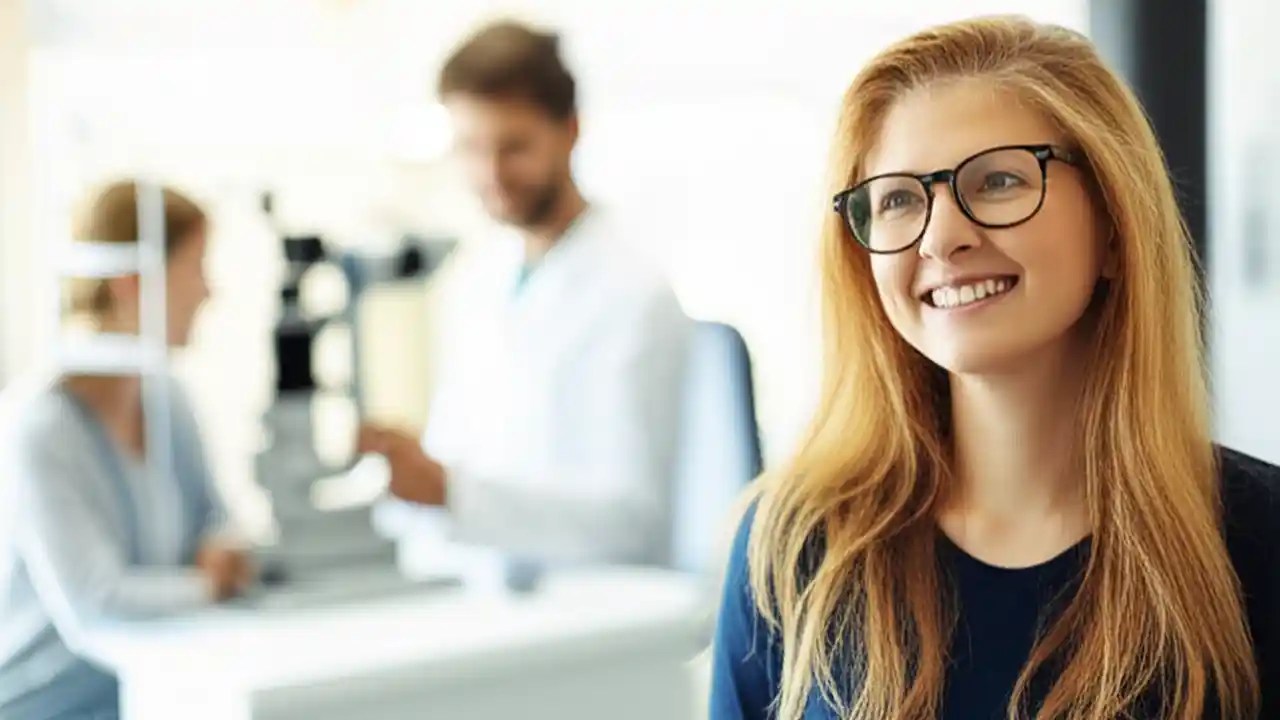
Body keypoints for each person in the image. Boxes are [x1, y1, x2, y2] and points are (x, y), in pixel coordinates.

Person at [710, 16, 1279, 720]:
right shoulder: (795, 548)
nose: (942, 237)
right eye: (898, 199)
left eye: (1000, 180)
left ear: (1114, 225)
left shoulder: (1260, 538)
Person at [357, 21, 692, 565]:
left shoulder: (635, 294)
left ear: (570, 130)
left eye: (514, 147)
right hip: (474, 585)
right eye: (470, 147)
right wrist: (408, 478)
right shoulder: (474, 280)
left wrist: (450, 492)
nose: (491, 173)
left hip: (591, 600)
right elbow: (456, 464)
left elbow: (632, 522)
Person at [0, 181, 252, 719]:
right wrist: (208, 583)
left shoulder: (167, 402)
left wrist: (221, 549)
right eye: (195, 268)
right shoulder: (40, 429)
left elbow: (216, 518)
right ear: (132, 284)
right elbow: (95, 602)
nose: (208, 292)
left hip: (151, 691)